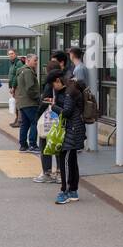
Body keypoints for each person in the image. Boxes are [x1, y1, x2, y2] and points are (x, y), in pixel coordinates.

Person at [45, 69, 85, 204]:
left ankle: (65, 191)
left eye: (53, 84)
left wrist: (53, 107)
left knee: (65, 160)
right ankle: (73, 190)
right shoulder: (69, 89)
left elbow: (66, 112)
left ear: (58, 81)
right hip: (74, 129)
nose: (53, 88)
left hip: (71, 130)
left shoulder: (69, 92)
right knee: (72, 161)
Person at [33, 56, 65, 183]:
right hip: (60, 119)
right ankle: (59, 173)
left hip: (49, 120)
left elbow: (44, 103)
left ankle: (47, 172)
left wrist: (37, 117)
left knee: (44, 143)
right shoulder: (64, 83)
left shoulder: (49, 85)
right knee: (58, 145)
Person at [15, 54, 41, 152]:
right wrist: (38, 98)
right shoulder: (28, 72)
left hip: (22, 102)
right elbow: (30, 88)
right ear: (28, 60)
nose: (36, 62)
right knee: (35, 122)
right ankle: (33, 145)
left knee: (24, 124)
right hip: (30, 102)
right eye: (35, 60)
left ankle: (23, 145)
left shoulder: (21, 71)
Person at [7, 49, 24, 127]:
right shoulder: (12, 64)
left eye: (12, 53)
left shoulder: (18, 63)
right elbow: (11, 76)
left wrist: (13, 87)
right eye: (9, 54)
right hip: (13, 87)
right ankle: (17, 119)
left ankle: (20, 121)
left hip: (18, 87)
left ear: (15, 54)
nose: (10, 55)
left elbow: (17, 76)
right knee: (16, 104)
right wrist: (10, 87)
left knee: (18, 104)